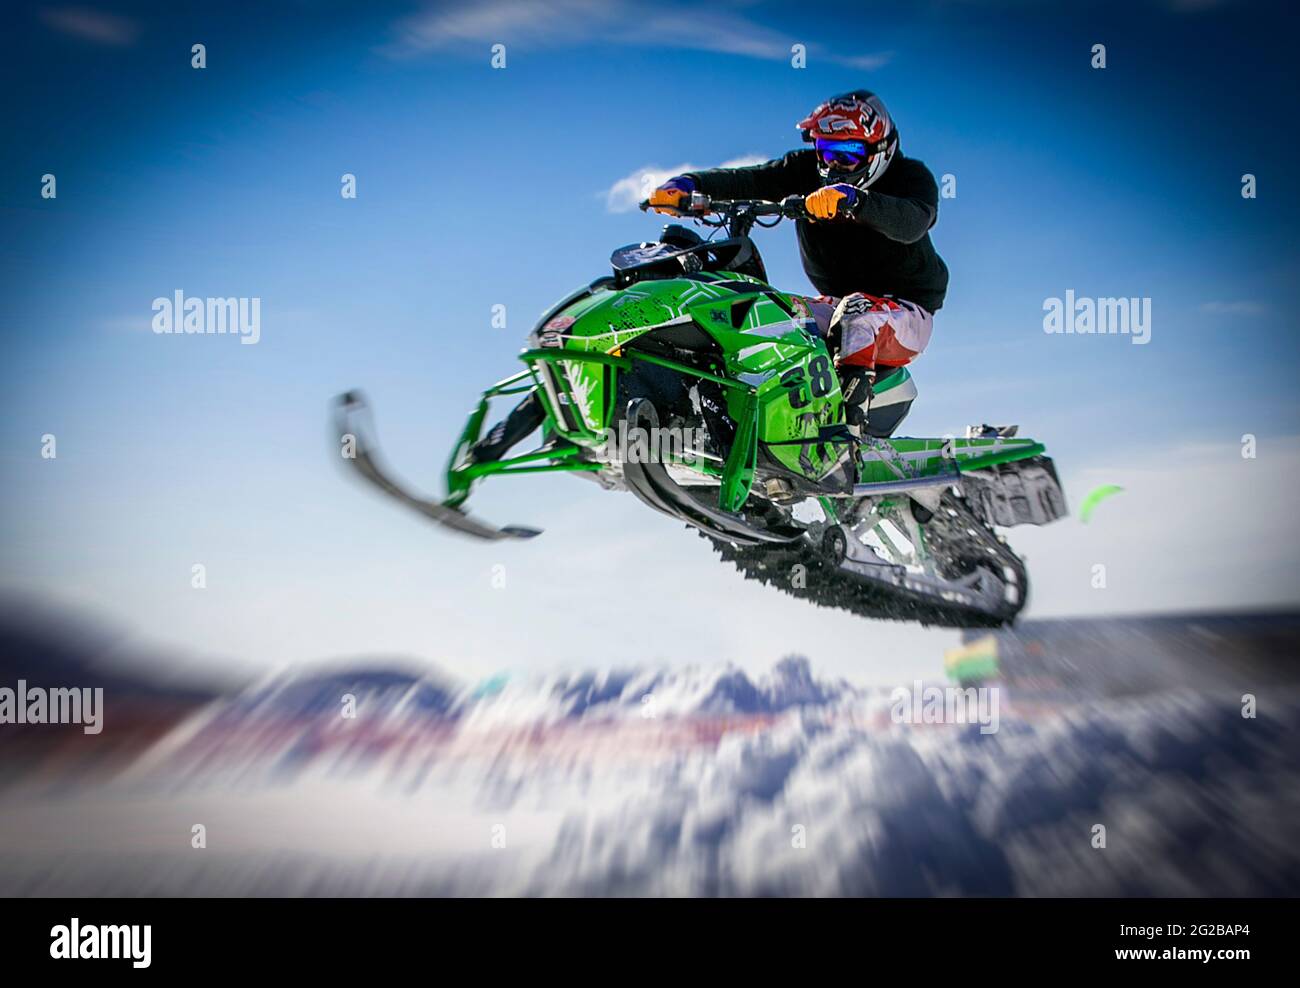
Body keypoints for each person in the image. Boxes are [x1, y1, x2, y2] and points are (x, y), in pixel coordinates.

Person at [648, 89, 947, 437]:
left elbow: (911, 222)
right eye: (824, 150)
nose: (833, 164)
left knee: (857, 315)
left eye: (847, 153)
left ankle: (844, 438)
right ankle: (742, 420)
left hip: (906, 312)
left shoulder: (909, 177)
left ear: (879, 151)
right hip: (835, 304)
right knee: (765, 310)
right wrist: (690, 185)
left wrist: (856, 202)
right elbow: (751, 179)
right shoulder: (804, 171)